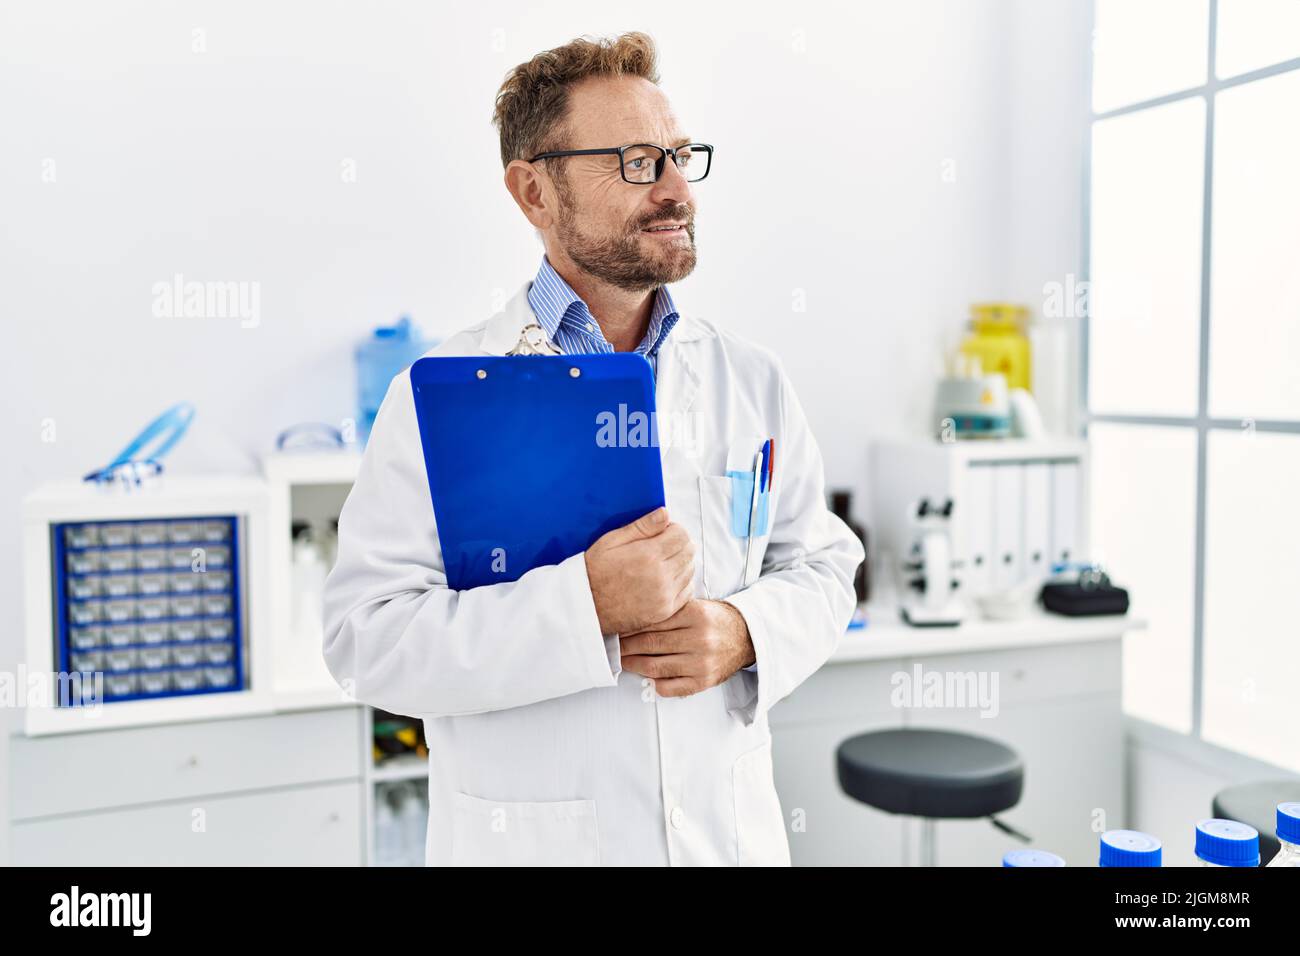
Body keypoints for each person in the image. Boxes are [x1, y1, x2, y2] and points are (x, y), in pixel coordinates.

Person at [323, 31, 863, 866]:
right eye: (637, 161)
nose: (678, 188)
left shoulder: (748, 379)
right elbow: (367, 641)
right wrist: (584, 607)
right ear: (534, 191)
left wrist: (743, 630)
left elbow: (824, 569)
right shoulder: (442, 393)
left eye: (681, 157)